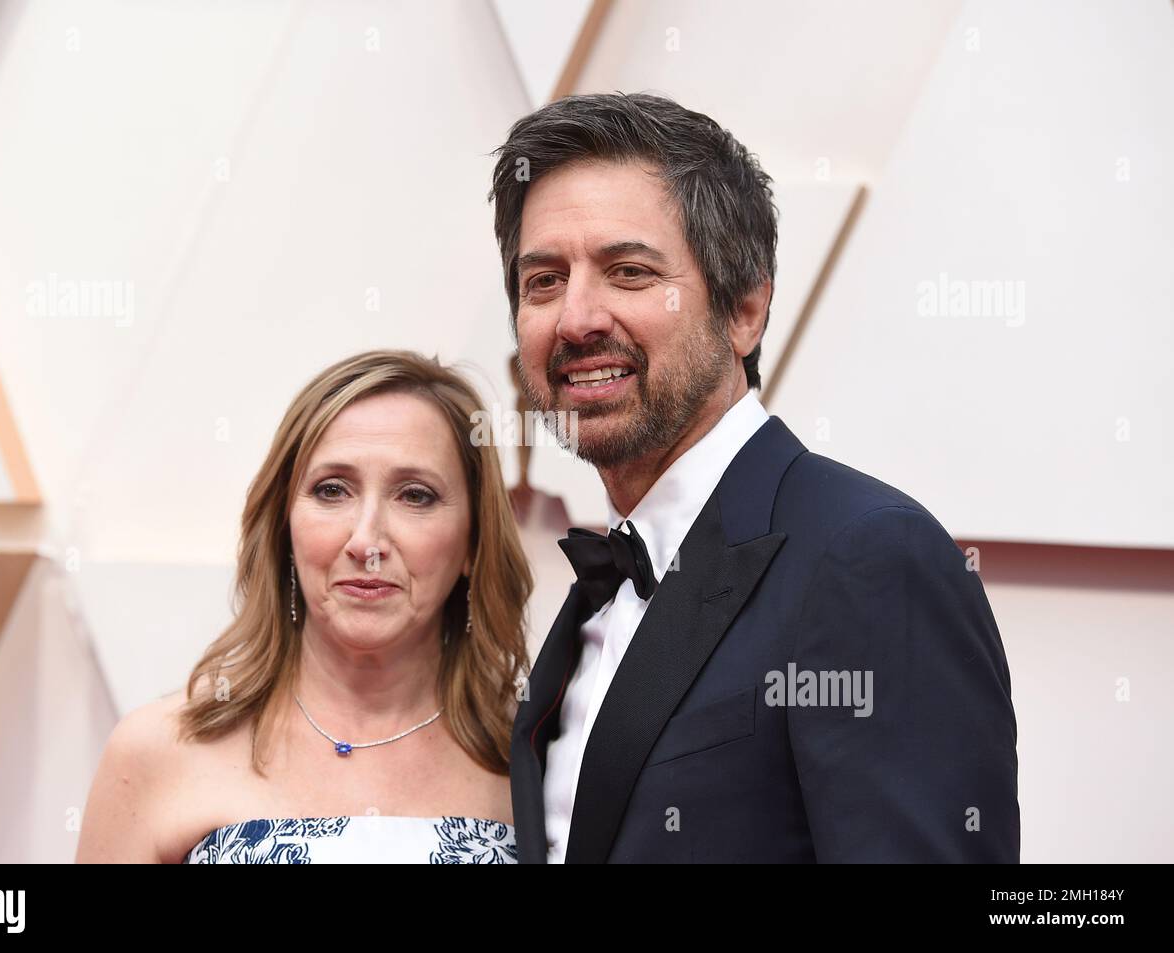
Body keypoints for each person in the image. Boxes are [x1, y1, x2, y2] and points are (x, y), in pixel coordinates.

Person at [490, 92, 1019, 863]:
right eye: (543, 281)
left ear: (745, 309)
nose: (575, 319)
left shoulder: (869, 557)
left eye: (628, 271)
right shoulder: (597, 595)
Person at [76, 350, 532, 863]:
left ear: (473, 540)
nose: (367, 541)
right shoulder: (157, 751)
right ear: (283, 524)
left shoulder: (538, 762)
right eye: (332, 490)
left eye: (416, 495)